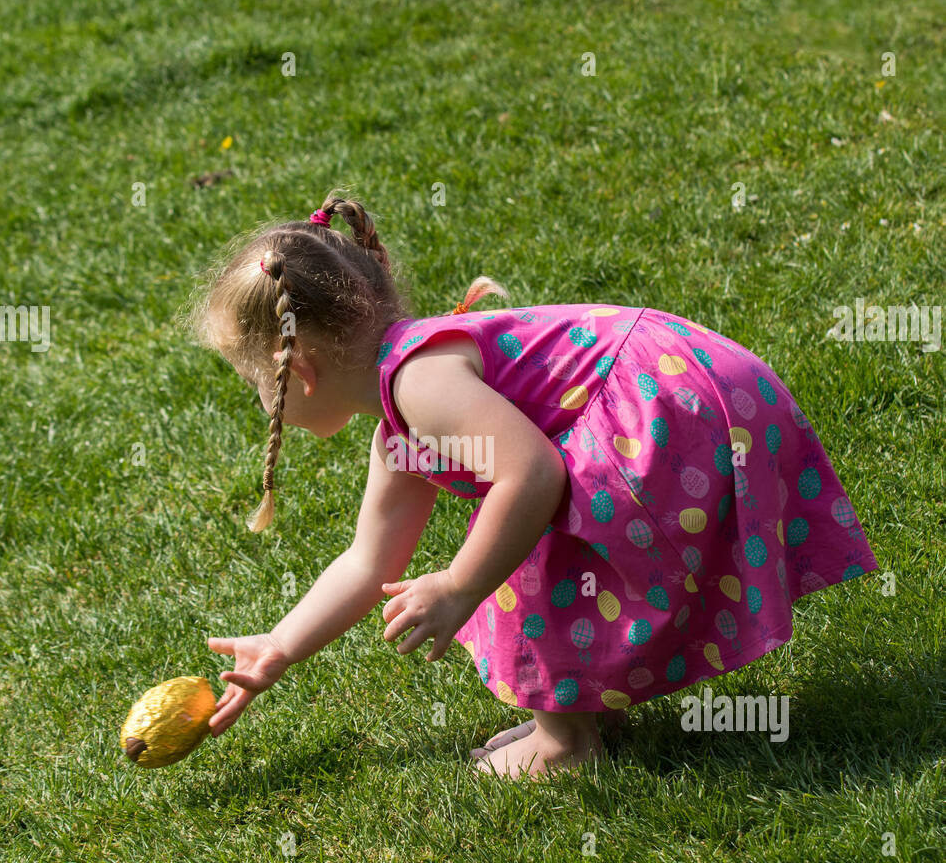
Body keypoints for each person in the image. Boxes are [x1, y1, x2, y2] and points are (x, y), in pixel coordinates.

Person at [188, 193, 878, 779]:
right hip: (699, 385)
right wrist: (280, 644)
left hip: (672, 408)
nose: (258, 400)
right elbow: (370, 560)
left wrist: (460, 585)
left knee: (511, 559)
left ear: (297, 370)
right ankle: (575, 719)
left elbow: (531, 473)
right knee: (510, 538)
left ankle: (565, 746)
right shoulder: (400, 424)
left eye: (254, 383)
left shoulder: (420, 385)